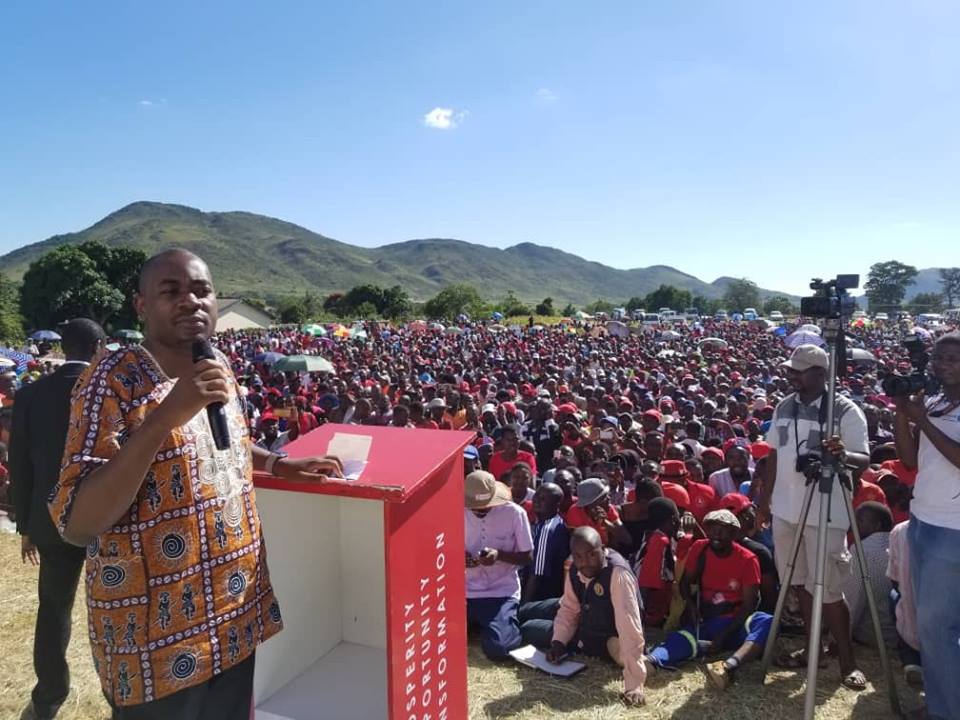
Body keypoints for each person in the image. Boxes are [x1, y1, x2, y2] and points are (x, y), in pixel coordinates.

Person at [47, 249, 343, 719]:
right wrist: (165, 416)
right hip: (156, 642)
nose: (191, 301)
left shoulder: (215, 363)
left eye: (201, 291)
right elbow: (77, 520)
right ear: (141, 305)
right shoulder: (110, 381)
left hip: (233, 614)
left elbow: (223, 444)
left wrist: (279, 465)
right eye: (171, 291)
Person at [9, 319, 107, 720]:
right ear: (99, 347)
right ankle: (124, 697)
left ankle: (47, 699)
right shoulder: (110, 393)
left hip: (49, 519)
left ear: (64, 348)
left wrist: (27, 526)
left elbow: (19, 462)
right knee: (117, 611)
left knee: (53, 609)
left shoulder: (31, 394)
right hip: (107, 520)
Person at [758, 344, 870, 690]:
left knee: (830, 590)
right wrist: (764, 501)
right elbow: (774, 457)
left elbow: (863, 459)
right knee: (802, 584)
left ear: (822, 374)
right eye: (791, 369)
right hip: (786, 509)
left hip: (826, 509)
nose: (791, 374)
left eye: (799, 370)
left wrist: (841, 452)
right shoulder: (783, 405)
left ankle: (848, 663)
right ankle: (814, 650)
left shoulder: (845, 410)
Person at [893, 332, 960, 719]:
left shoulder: (934, 410)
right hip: (923, 520)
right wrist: (904, 414)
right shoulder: (933, 402)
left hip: (951, 531)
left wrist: (922, 420)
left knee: (939, 629)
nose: (943, 365)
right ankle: (942, 702)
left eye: (953, 359)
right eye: (940, 358)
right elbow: (908, 459)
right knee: (934, 628)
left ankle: (945, 712)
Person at [644, 510, 773, 691]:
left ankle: (728, 667)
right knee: (681, 638)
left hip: (736, 624)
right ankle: (650, 662)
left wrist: (723, 636)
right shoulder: (700, 548)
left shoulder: (748, 559)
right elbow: (684, 584)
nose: (716, 534)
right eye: (712, 529)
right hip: (706, 622)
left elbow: (749, 605)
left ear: (734, 534)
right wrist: (691, 607)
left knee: (767, 621)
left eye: (723, 530)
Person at [546, 527, 647, 707]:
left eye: (591, 555)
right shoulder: (574, 568)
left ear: (603, 548)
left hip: (599, 634)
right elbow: (569, 609)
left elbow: (629, 626)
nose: (585, 562)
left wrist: (634, 686)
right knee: (529, 618)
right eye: (578, 556)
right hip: (576, 618)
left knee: (530, 628)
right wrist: (558, 642)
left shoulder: (617, 574)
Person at [464, 470, 534, 660]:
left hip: (500, 591)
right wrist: (460, 559)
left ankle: (497, 622)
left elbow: (527, 556)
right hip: (465, 591)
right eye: (474, 507)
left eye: (484, 507)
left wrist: (500, 555)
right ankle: (482, 624)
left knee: (500, 649)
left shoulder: (514, 513)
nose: (479, 511)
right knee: (440, 639)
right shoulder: (454, 513)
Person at [842, 501, 897, 649]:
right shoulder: (899, 544)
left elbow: (853, 600)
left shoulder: (862, 550)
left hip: (874, 634)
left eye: (860, 520)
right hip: (900, 635)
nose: (854, 524)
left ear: (877, 525)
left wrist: (839, 641)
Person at [886, 519, 922, 688]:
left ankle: (911, 660)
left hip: (913, 620)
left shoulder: (900, 531)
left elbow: (894, 580)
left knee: (894, 596)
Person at [521, 483, 570, 602]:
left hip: (541, 598)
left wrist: (522, 606)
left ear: (556, 505)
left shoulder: (548, 529)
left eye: (543, 499)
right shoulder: (541, 523)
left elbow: (537, 574)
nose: (537, 501)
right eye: (536, 496)